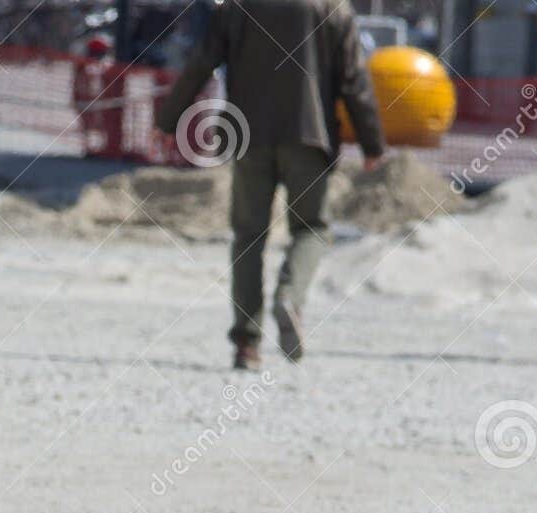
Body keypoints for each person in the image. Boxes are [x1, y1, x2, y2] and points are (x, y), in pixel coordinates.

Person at [156, 0, 386, 369]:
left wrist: (169, 120)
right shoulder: (332, 7)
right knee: (311, 228)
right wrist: (371, 142)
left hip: (247, 137)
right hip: (310, 137)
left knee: (248, 236)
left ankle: (247, 345)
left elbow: (201, 62)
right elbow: (353, 78)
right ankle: (290, 297)